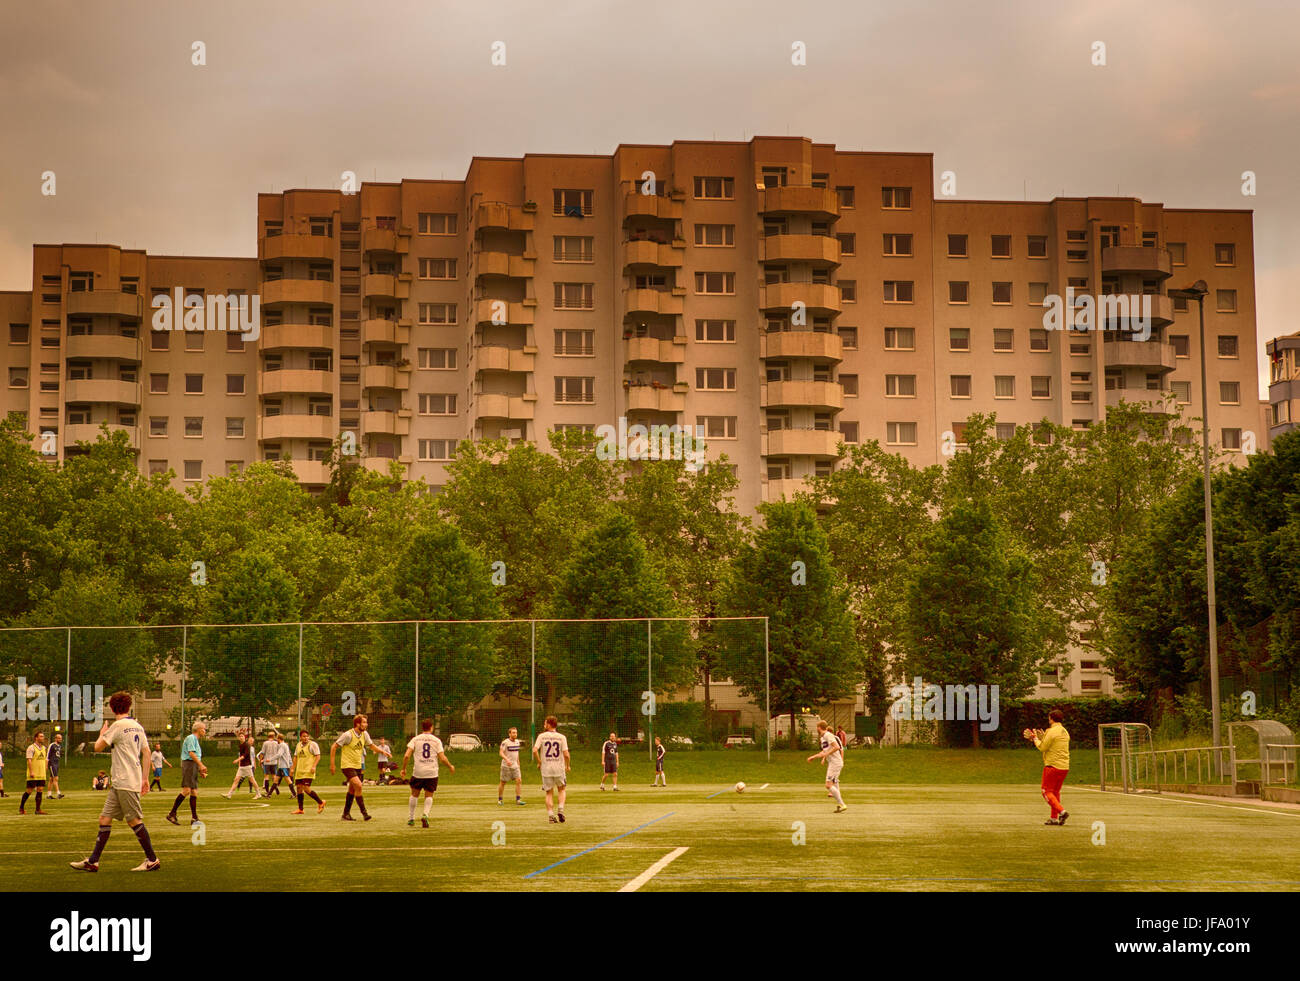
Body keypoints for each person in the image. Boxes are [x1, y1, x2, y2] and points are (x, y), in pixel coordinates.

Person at [69, 691, 160, 873]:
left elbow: (97, 747)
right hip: (121, 782)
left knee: (134, 820)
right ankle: (93, 861)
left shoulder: (118, 726)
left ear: (112, 707)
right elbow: (147, 753)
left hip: (125, 781)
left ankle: (152, 860)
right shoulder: (137, 726)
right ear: (129, 706)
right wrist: (145, 778)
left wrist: (102, 733)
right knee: (104, 819)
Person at [401, 720, 454, 828]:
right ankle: (425, 815)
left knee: (414, 794)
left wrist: (404, 769)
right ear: (431, 727)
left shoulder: (415, 739)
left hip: (418, 772)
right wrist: (450, 766)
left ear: (422, 727)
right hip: (432, 772)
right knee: (429, 795)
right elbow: (442, 758)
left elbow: (406, 756)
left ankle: (411, 818)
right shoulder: (436, 740)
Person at [1025, 709, 1070, 826]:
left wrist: (1035, 738)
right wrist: (1043, 736)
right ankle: (1054, 818)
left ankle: (1062, 811)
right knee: (1055, 792)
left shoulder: (1052, 731)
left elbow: (1042, 747)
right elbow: (1053, 744)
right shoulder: (1064, 731)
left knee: (1046, 791)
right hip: (1064, 766)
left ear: (1051, 718)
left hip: (1052, 766)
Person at [329, 715, 378, 821]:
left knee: (352, 789)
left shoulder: (364, 734)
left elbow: (372, 745)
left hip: (357, 766)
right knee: (359, 786)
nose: (366, 724)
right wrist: (332, 764)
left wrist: (383, 752)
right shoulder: (348, 735)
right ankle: (364, 813)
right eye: (364, 722)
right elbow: (334, 746)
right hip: (347, 765)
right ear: (357, 724)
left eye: (366, 722)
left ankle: (345, 814)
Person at [166, 720, 207, 826]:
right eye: (203, 729)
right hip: (189, 765)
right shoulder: (191, 738)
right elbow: (191, 754)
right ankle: (172, 813)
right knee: (186, 790)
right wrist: (201, 765)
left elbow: (195, 756)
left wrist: (199, 769)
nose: (205, 731)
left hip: (192, 766)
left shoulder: (195, 740)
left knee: (194, 792)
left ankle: (194, 818)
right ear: (198, 729)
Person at [532, 715, 570, 824]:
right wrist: (567, 765)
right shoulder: (562, 737)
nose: (544, 725)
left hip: (546, 769)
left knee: (549, 792)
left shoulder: (541, 736)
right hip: (559, 768)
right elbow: (566, 754)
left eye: (545, 723)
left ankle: (551, 816)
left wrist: (540, 762)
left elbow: (535, 750)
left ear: (549, 724)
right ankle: (561, 810)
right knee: (562, 789)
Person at [806, 720, 847, 813]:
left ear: (819, 728)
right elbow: (824, 752)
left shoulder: (828, 735)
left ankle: (842, 804)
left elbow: (837, 747)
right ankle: (841, 805)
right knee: (835, 785)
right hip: (832, 763)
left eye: (817, 727)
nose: (817, 729)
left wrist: (826, 754)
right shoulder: (823, 738)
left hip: (835, 763)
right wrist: (814, 757)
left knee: (828, 785)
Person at [290, 729, 325, 815]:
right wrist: (292, 768)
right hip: (299, 771)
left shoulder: (312, 744)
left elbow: (318, 756)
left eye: (307, 736)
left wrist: (314, 766)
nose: (306, 738)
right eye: (303, 736)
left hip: (308, 770)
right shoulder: (298, 745)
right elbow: (295, 757)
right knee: (298, 788)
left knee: (306, 788)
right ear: (300, 737)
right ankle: (300, 809)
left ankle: (320, 802)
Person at [223, 730, 260, 798]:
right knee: (236, 780)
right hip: (242, 767)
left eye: (242, 736)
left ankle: (258, 794)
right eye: (240, 736)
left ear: (244, 737)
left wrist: (237, 760)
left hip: (247, 766)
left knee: (252, 780)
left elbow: (245, 755)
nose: (241, 737)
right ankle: (229, 794)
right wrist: (239, 763)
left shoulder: (247, 745)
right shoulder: (241, 745)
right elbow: (241, 755)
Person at [20, 731, 48, 814]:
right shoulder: (31, 748)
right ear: (36, 738)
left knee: (40, 790)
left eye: (43, 736)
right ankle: (21, 808)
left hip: (41, 774)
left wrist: (45, 767)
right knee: (29, 791)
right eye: (41, 736)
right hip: (33, 774)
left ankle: (38, 809)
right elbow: (29, 760)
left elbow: (45, 759)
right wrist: (31, 771)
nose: (43, 738)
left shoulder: (44, 748)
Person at [497, 727, 525, 806]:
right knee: (503, 782)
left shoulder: (517, 742)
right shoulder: (505, 742)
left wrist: (518, 763)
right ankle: (500, 799)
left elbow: (517, 753)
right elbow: (501, 753)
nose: (515, 734)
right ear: (509, 734)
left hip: (515, 766)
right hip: (506, 766)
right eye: (513, 733)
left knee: (519, 780)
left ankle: (518, 799)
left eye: (516, 732)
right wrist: (506, 759)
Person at [258, 731, 281, 796]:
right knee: (274, 776)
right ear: (274, 736)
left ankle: (268, 791)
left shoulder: (265, 743)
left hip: (266, 762)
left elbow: (262, 753)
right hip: (274, 762)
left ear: (268, 736)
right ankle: (276, 788)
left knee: (266, 776)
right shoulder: (276, 743)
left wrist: (260, 761)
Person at [274, 732, 294, 796]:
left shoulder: (283, 745)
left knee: (288, 780)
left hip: (284, 766)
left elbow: (280, 755)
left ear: (279, 739)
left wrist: (270, 759)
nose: (276, 740)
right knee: (276, 779)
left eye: (277, 739)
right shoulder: (283, 745)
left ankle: (294, 793)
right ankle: (269, 794)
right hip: (281, 766)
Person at [48, 732, 65, 799]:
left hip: (57, 763)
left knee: (51, 779)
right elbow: (48, 755)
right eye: (59, 738)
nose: (60, 739)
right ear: (55, 738)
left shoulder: (59, 746)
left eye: (61, 738)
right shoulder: (52, 745)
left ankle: (49, 795)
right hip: (52, 763)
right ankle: (58, 793)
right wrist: (47, 764)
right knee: (56, 778)